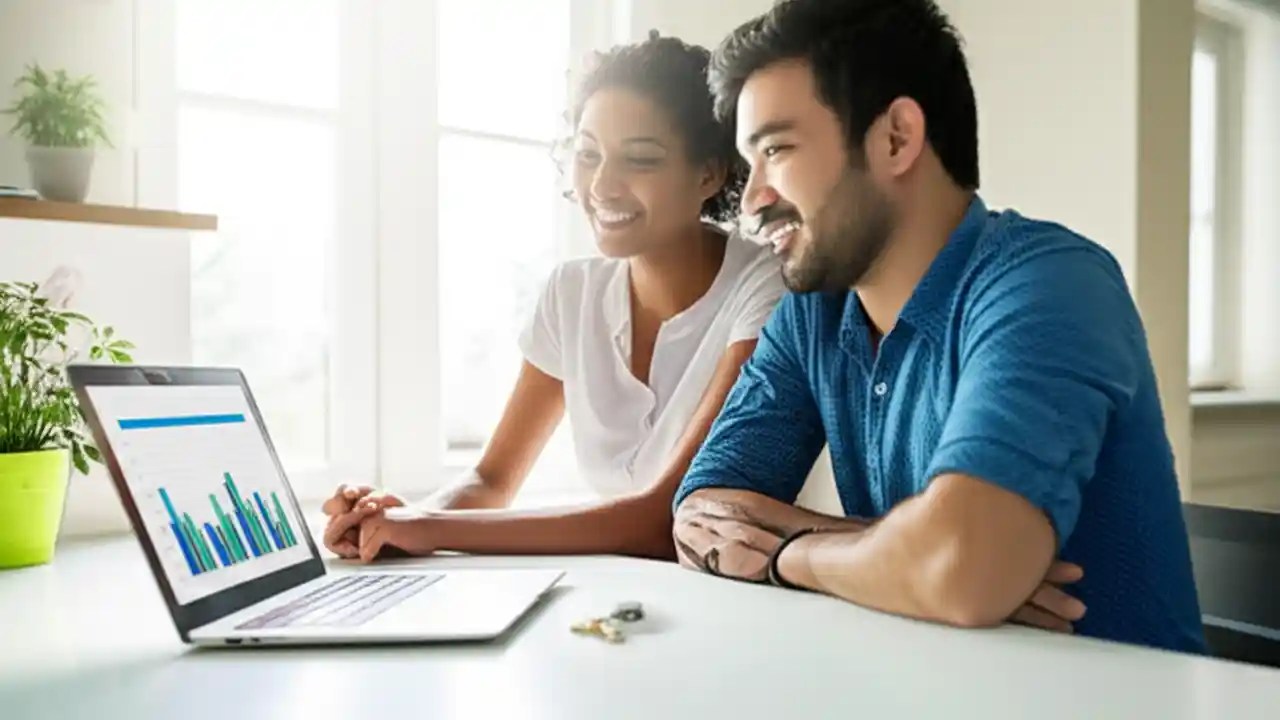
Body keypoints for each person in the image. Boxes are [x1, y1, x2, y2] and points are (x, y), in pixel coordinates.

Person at [671, 0, 1207, 653]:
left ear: (896, 137)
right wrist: (910, 556)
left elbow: (960, 568)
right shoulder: (812, 313)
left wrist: (787, 557)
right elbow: (701, 513)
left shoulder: (1051, 282)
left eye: (777, 149)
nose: (752, 198)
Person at [321, 32, 785, 564]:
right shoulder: (572, 294)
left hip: (727, 600)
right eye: (588, 154)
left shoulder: (763, 287)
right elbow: (490, 481)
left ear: (710, 171)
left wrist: (427, 527)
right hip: (614, 602)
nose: (602, 185)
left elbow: (665, 517)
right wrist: (388, 522)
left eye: (639, 159)